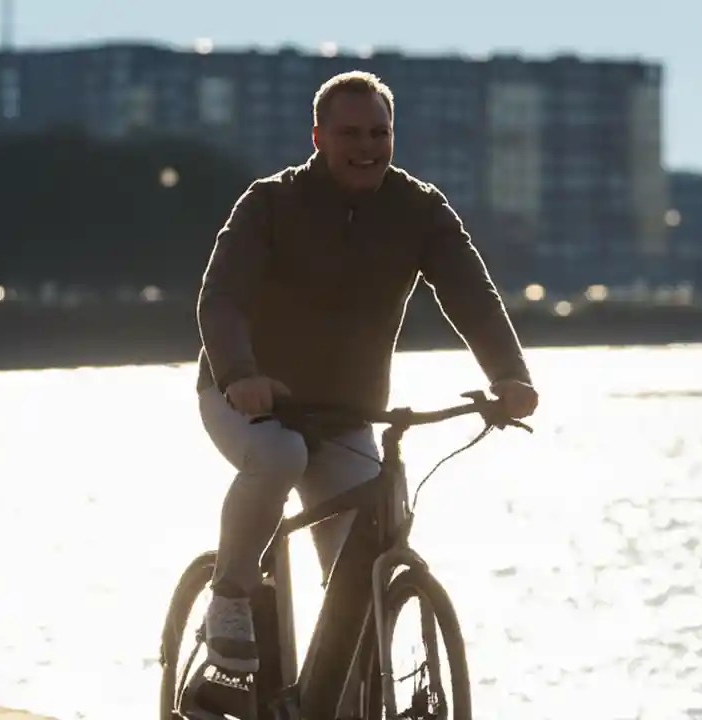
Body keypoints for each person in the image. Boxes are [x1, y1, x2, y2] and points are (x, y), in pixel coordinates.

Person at [187, 70, 539, 714]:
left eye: (380, 132)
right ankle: (230, 598)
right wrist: (241, 374)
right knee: (280, 456)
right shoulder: (269, 202)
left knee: (363, 552)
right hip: (247, 398)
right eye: (350, 133)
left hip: (346, 412)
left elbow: (471, 294)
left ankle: (335, 702)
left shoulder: (418, 209)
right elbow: (223, 298)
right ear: (318, 137)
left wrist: (509, 376)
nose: (367, 146)